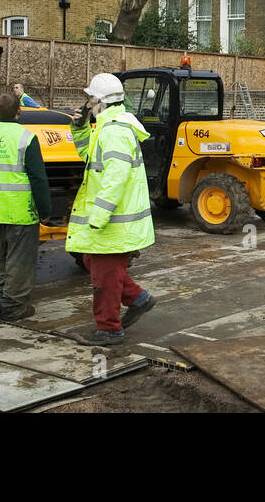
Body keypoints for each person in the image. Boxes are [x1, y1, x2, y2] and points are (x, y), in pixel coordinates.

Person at [66, 73, 156, 346]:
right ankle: (138, 299)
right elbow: (88, 158)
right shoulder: (107, 127)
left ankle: (108, 329)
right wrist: (80, 129)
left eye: (90, 99)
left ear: (101, 102)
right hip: (114, 222)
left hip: (112, 223)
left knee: (103, 276)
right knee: (92, 262)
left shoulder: (114, 132)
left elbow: (114, 180)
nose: (87, 104)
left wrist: (98, 217)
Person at [0, 93, 51, 321]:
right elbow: (38, 178)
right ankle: (13, 306)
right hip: (21, 211)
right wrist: (45, 210)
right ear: (19, 111)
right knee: (19, 260)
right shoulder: (26, 138)